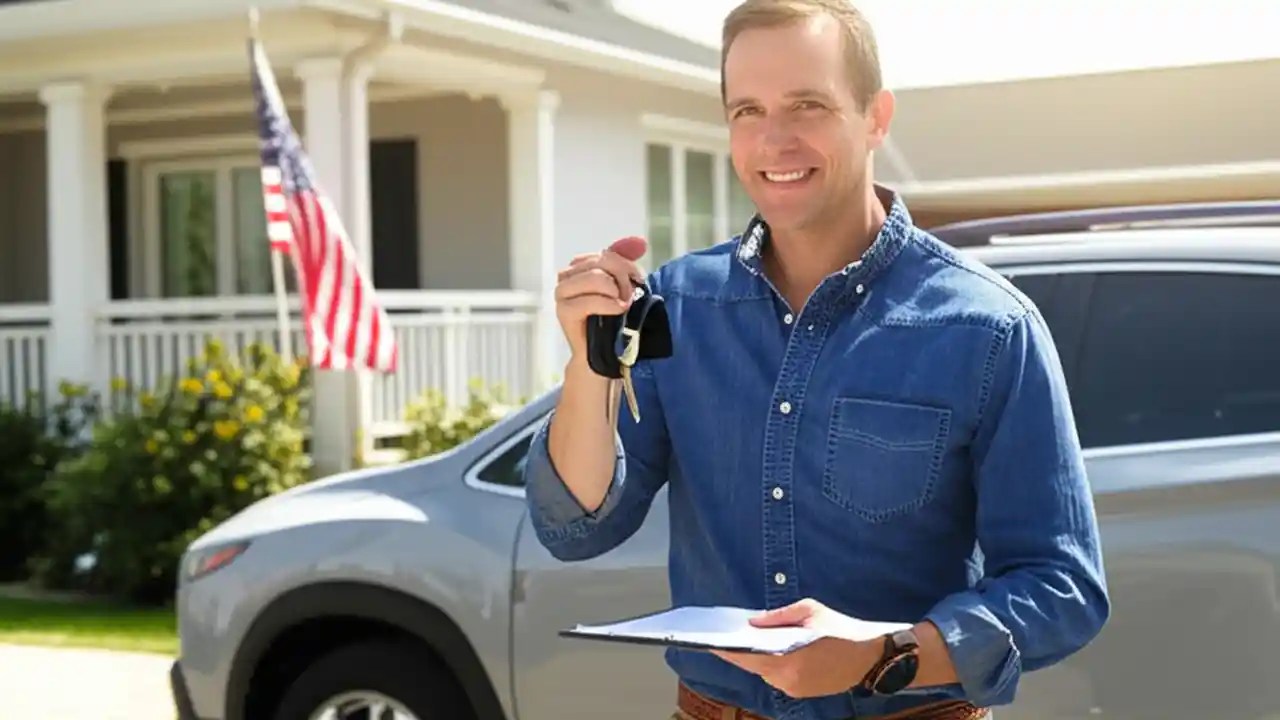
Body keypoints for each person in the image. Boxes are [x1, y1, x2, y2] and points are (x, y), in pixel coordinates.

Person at [522, 0, 1111, 718]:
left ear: (876, 117)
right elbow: (577, 527)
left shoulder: (987, 327)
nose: (774, 140)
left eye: (808, 105)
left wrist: (883, 655)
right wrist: (590, 364)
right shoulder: (680, 305)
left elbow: (1061, 588)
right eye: (748, 111)